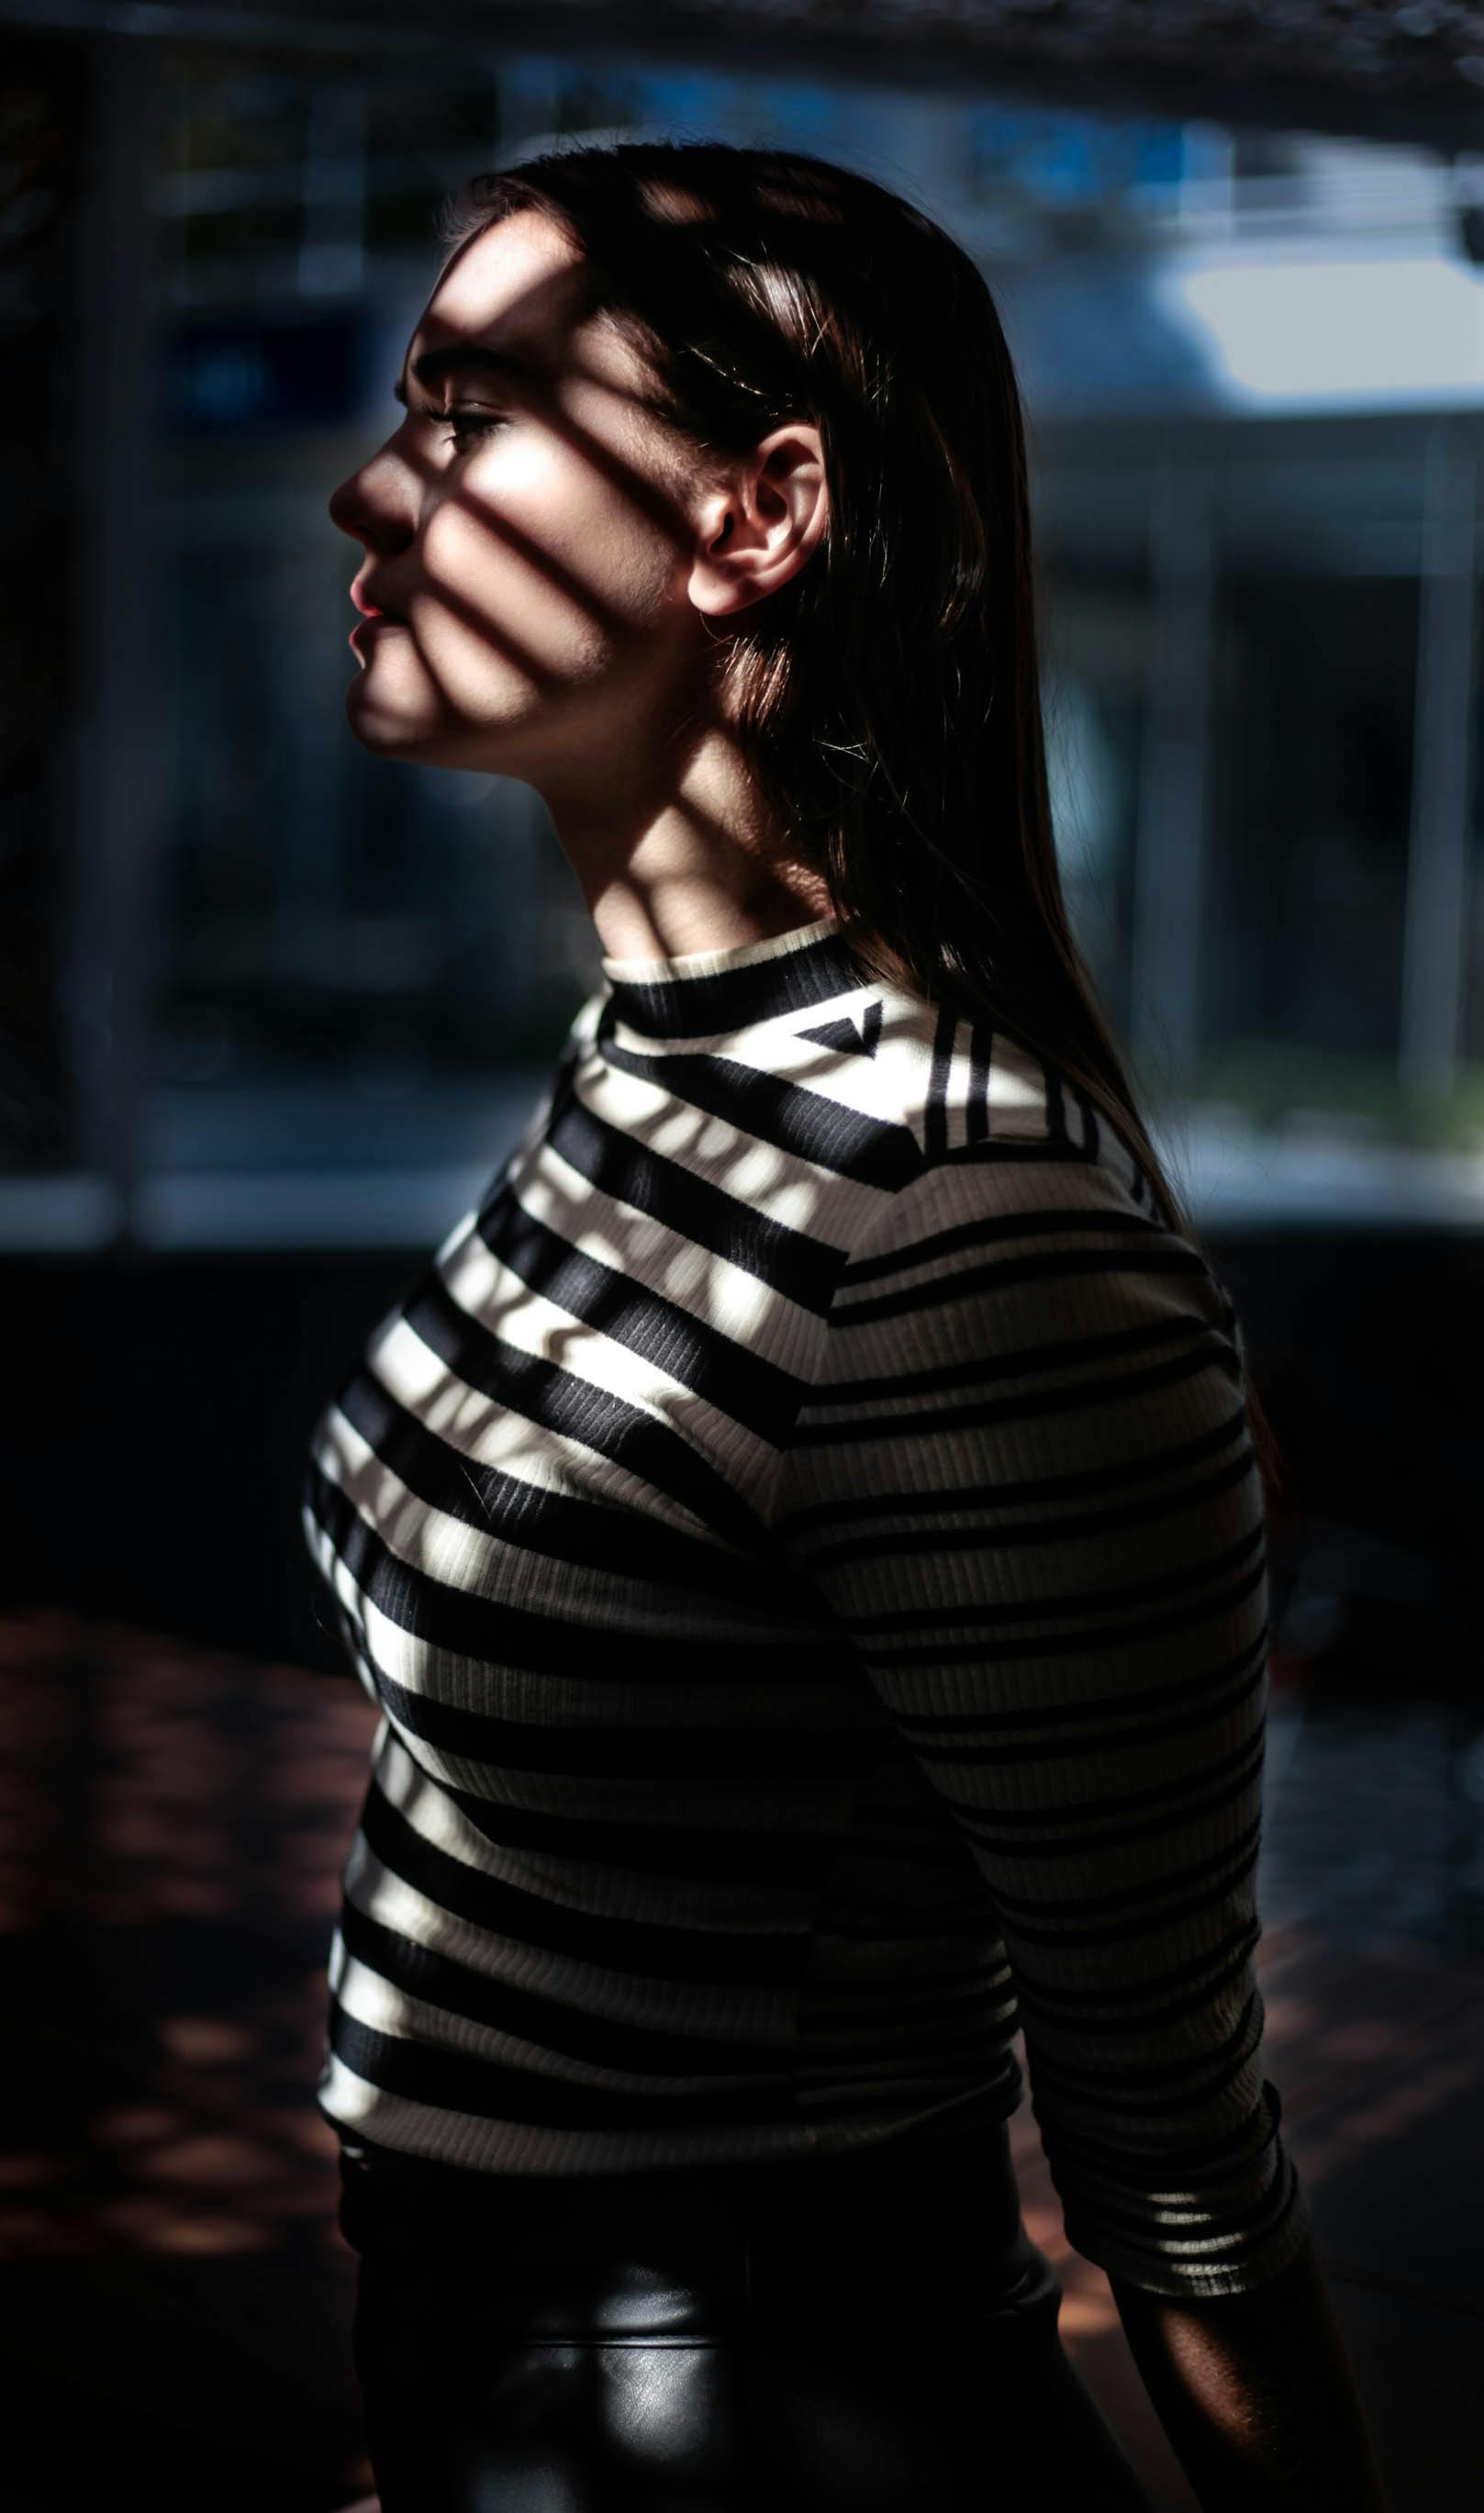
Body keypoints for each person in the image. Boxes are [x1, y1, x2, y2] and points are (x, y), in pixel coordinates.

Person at [306, 140, 1387, 2510]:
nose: (368, 490)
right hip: (531, 2380)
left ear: (750, 518)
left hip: (759, 2413)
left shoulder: (959, 1229)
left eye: (476, 410)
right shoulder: (656, 1075)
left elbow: (1169, 2133)